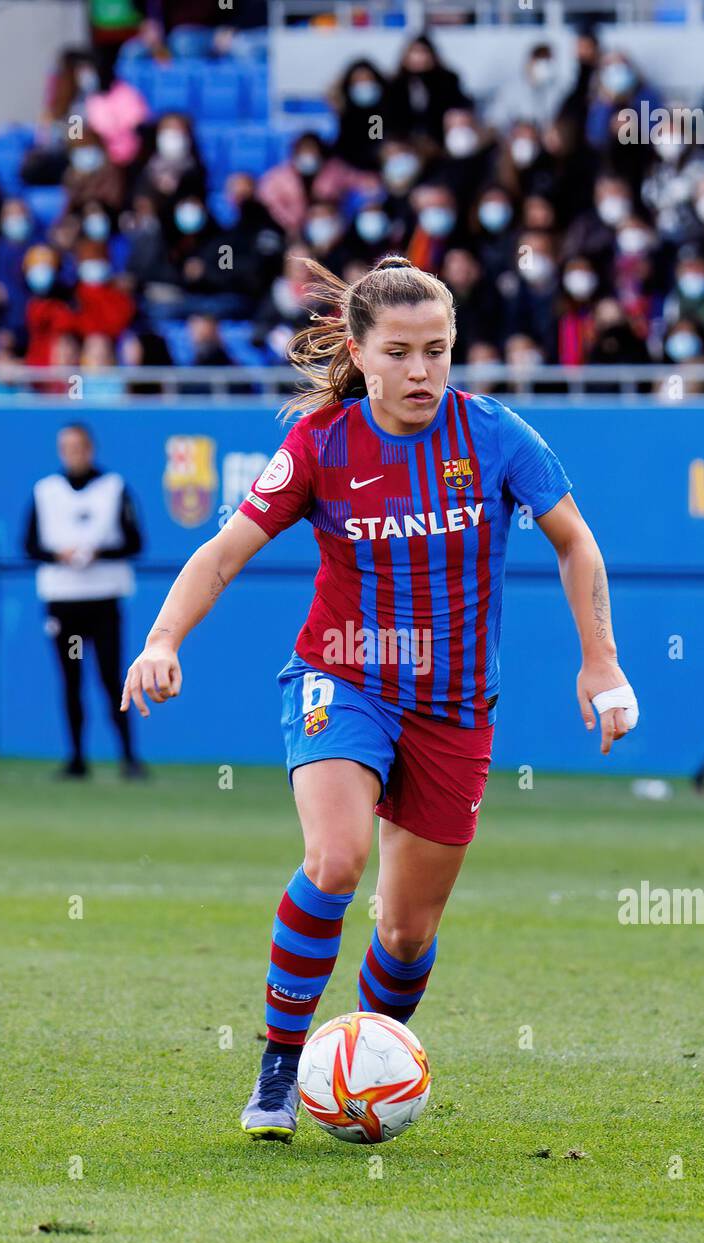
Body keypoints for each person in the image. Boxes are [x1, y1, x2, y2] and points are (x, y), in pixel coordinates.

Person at [120, 254, 638, 1142]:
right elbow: (222, 553)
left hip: (456, 707)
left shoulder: (497, 435)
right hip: (343, 676)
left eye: (438, 350)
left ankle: (368, 1061)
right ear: (359, 353)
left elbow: (577, 543)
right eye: (399, 352)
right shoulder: (319, 445)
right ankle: (282, 1067)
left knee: (403, 931)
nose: (422, 371)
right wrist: (163, 639)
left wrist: (602, 663)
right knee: (336, 860)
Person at [25, 423, 145, 778]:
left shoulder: (115, 488)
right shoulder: (45, 491)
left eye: (79, 446)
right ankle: (77, 758)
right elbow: (29, 544)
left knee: (111, 676)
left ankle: (128, 757)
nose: (73, 453)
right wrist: (57, 554)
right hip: (63, 600)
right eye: (66, 446)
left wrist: (97, 552)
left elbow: (135, 542)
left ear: (90, 448)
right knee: (70, 679)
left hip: (103, 598)